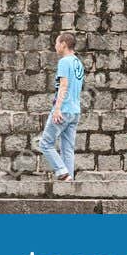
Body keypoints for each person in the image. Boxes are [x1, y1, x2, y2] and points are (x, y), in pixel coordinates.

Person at [38, 32, 83, 183]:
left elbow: (63, 85)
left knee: (45, 143)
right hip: (75, 111)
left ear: (63, 44)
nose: (55, 46)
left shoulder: (65, 61)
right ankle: (69, 181)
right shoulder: (78, 62)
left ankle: (62, 173)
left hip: (63, 110)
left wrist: (57, 109)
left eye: (57, 43)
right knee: (67, 148)